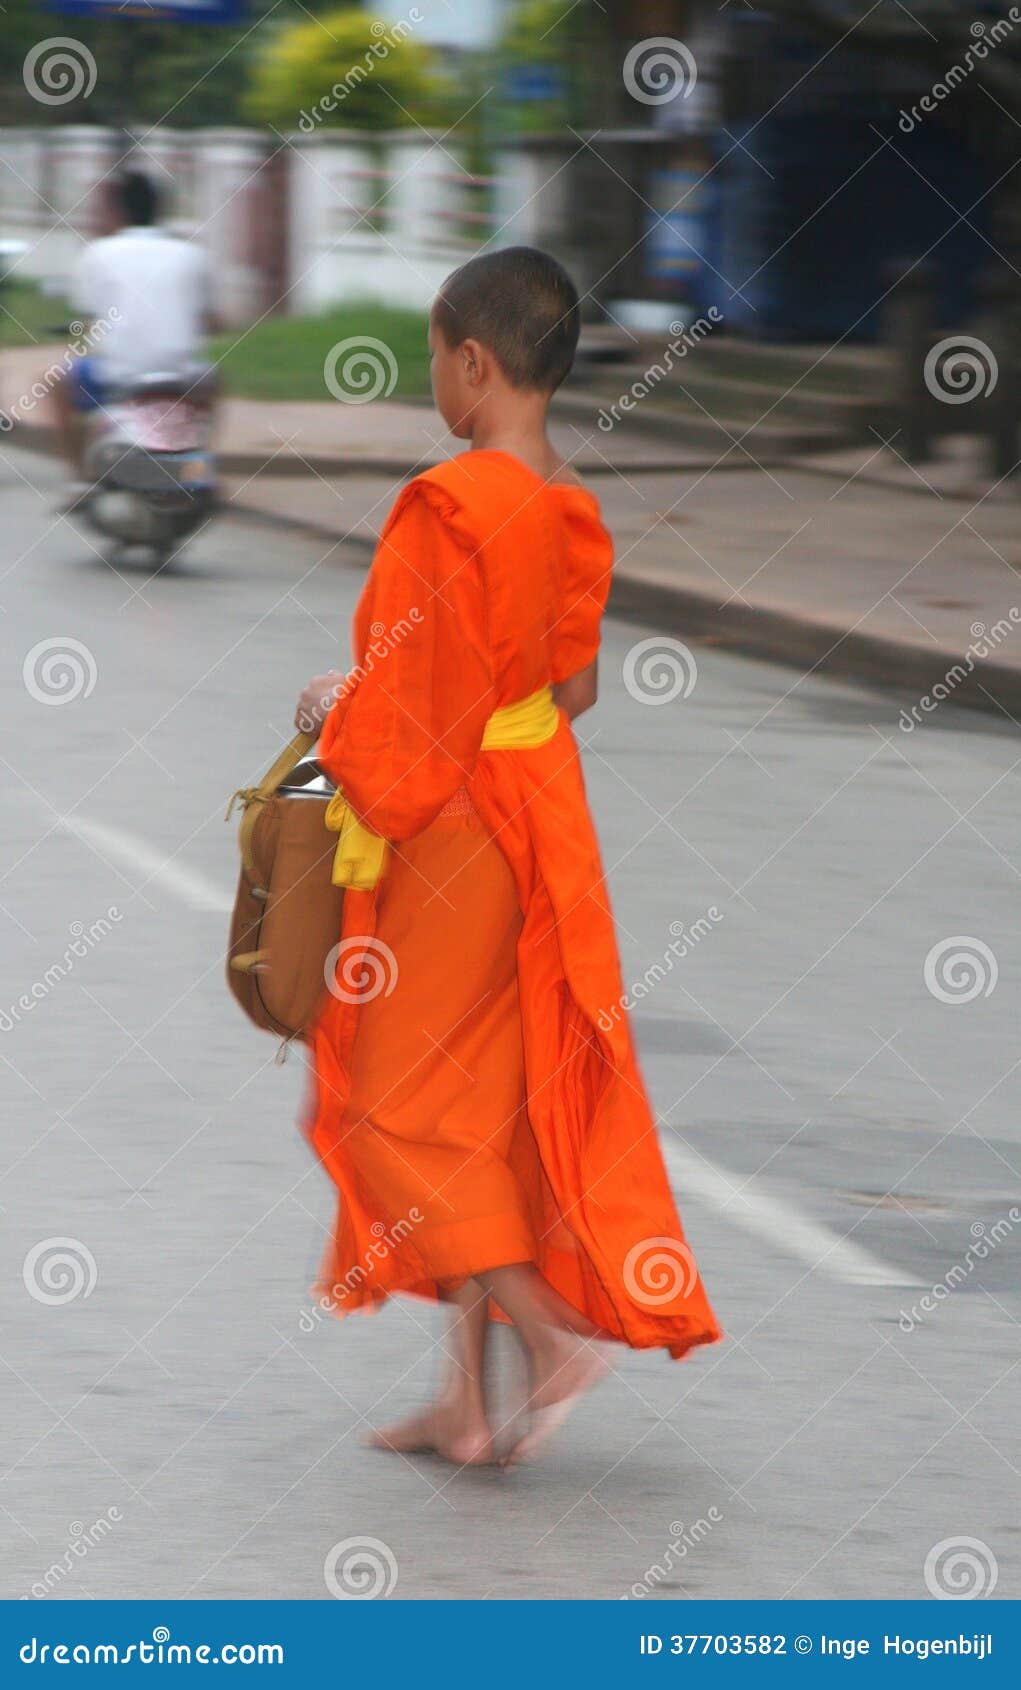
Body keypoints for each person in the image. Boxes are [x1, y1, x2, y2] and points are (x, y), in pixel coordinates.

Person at [295, 246, 720, 1468]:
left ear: (471, 361)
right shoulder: (565, 505)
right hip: (539, 808)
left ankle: (546, 1337)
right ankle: (465, 1407)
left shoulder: (446, 504)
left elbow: (413, 725)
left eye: (434, 356)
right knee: (479, 1104)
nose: (433, 377)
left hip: (459, 827)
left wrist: (337, 706)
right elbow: (570, 688)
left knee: (385, 1102)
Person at [53, 168, 214, 506]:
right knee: (216, 382)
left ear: (118, 211)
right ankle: (201, 458)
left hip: (117, 376)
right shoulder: (191, 254)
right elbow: (210, 318)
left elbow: (90, 319)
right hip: (183, 377)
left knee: (53, 383)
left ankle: (78, 479)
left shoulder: (97, 253)